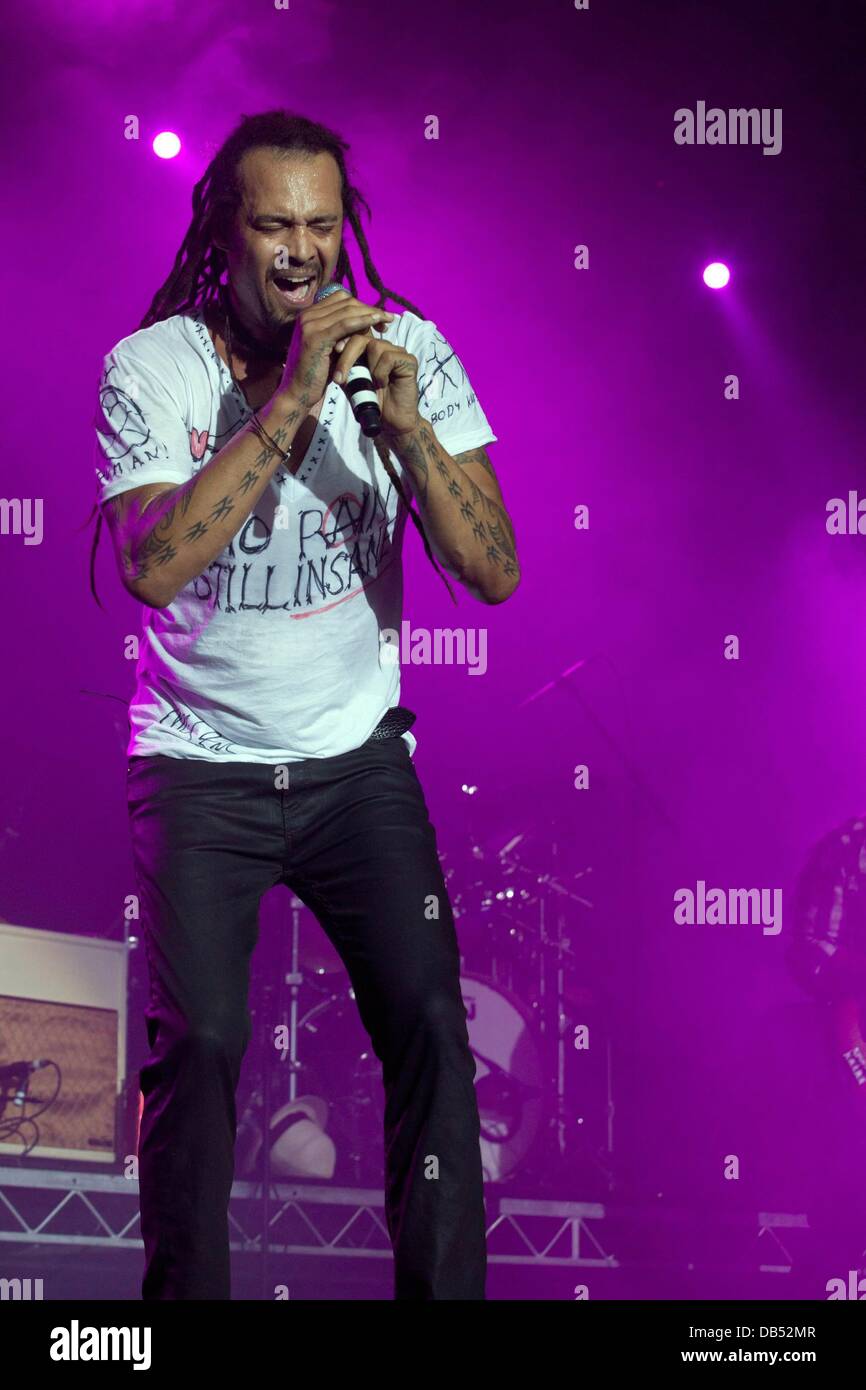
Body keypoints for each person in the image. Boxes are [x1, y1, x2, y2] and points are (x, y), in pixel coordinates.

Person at [92, 108, 519, 1300]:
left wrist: (410, 430)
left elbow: (493, 570)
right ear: (223, 233)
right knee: (202, 1043)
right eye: (274, 225)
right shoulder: (154, 366)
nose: (302, 251)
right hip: (199, 764)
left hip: (353, 766)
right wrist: (290, 400)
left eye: (321, 225)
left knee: (430, 1021)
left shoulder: (408, 350)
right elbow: (151, 564)